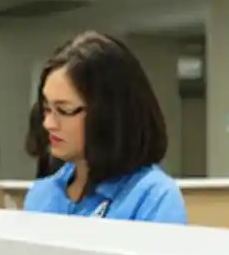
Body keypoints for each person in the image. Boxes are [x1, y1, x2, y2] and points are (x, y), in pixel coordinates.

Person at [23, 31, 187, 224]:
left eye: (64, 110)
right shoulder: (42, 195)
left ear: (109, 114)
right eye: (46, 109)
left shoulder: (153, 197)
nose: (48, 123)